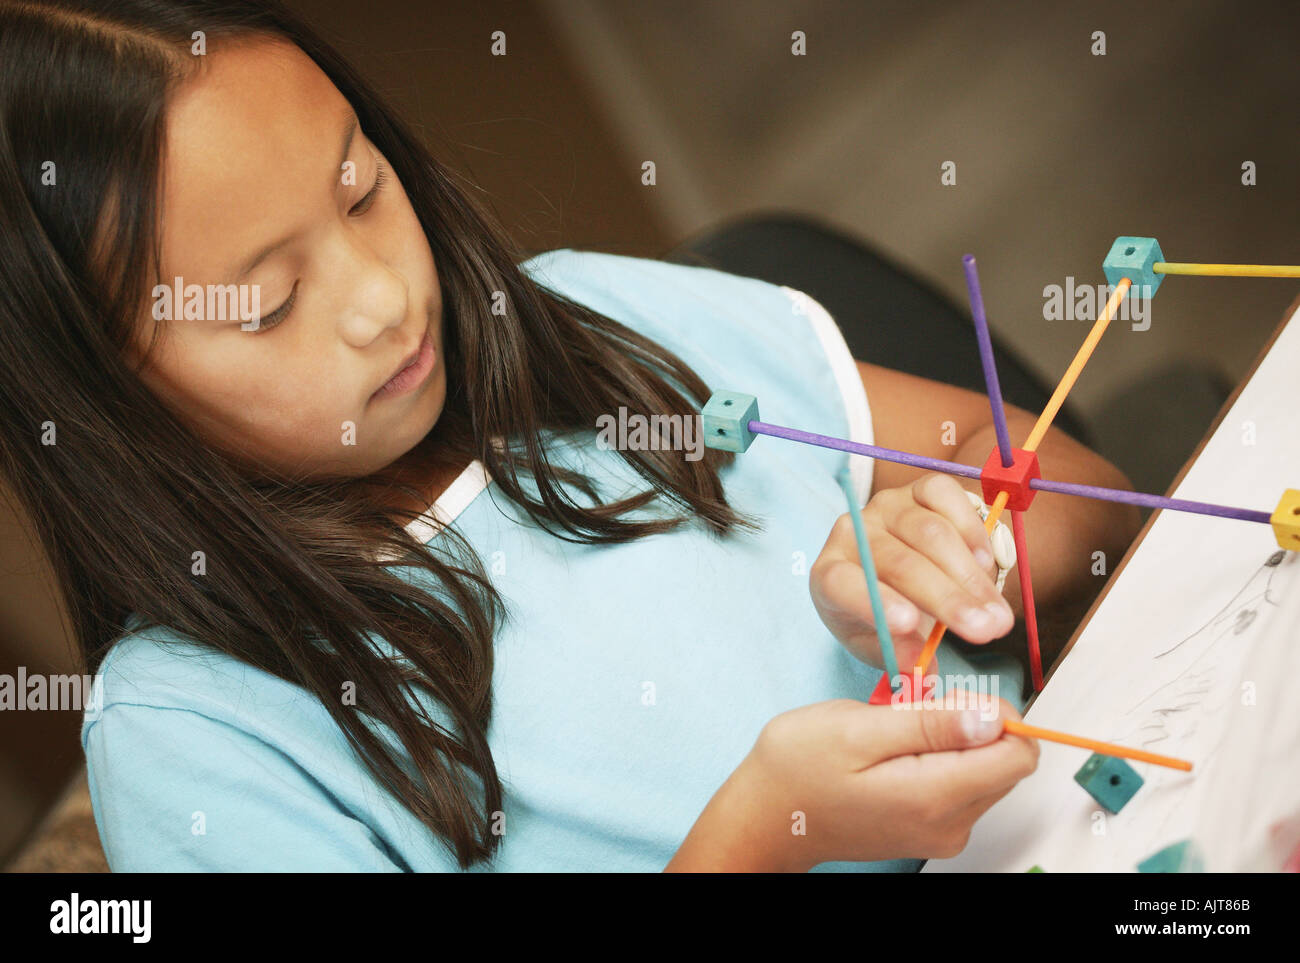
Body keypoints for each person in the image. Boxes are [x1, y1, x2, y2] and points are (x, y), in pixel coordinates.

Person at [0, 0, 1141, 871]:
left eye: (360, 194)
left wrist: (950, 563)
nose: (381, 302)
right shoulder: (191, 735)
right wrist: (757, 834)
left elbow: (1098, 499)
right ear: (105, 401)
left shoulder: (595, 325)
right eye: (266, 304)